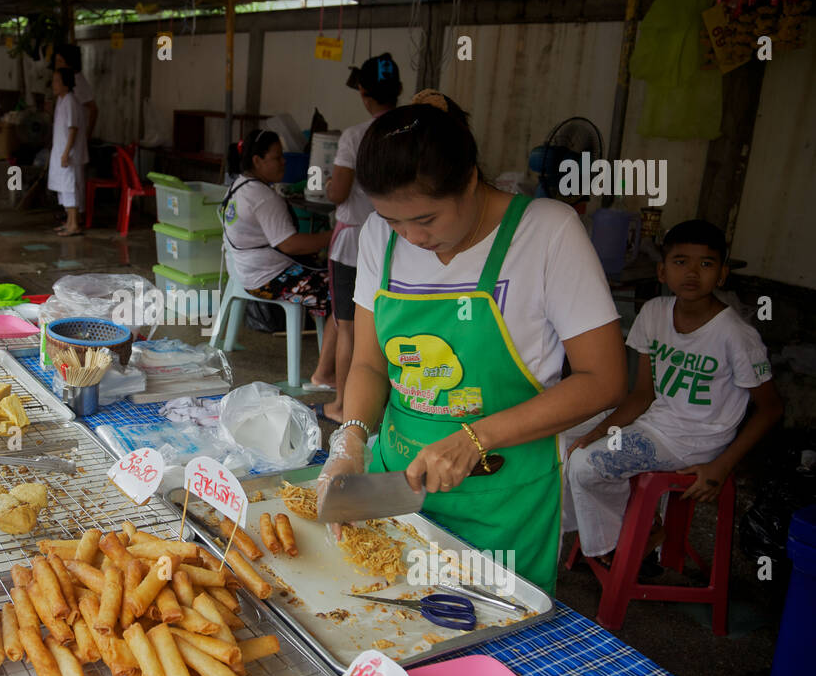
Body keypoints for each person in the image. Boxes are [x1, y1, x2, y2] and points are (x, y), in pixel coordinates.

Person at [317, 90, 627, 594]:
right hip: (398, 485)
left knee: (493, 645)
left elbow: (605, 380)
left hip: (502, 497)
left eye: (426, 219)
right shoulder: (379, 237)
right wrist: (351, 439)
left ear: (470, 179)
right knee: (391, 624)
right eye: (395, 220)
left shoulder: (547, 233)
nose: (411, 237)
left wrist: (475, 439)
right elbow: (372, 364)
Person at [564, 220, 783, 564]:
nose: (693, 272)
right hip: (654, 420)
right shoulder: (653, 313)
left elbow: (770, 409)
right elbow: (641, 396)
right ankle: (617, 527)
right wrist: (595, 432)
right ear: (662, 271)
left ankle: (626, 540)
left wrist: (722, 466)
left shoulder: (736, 336)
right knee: (563, 442)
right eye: (681, 262)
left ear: (722, 274)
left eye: (706, 264)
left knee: (586, 464)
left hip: (693, 439)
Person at [221, 128, 336, 385]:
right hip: (268, 278)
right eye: (277, 157)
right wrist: (334, 235)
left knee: (324, 273)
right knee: (339, 289)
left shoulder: (239, 185)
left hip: (243, 271)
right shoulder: (264, 198)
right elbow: (291, 245)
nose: (284, 162)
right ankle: (326, 371)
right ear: (257, 161)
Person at [323, 52, 401, 420]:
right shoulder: (408, 132)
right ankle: (382, 404)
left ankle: (343, 405)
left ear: (364, 94)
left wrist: (326, 186)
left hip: (354, 241)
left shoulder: (356, 136)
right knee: (386, 325)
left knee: (349, 326)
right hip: (400, 240)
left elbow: (338, 193)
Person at [49, 67, 86, 236]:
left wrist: (65, 152)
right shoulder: (61, 100)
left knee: (70, 187)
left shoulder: (70, 100)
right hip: (60, 152)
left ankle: (74, 225)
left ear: (65, 83)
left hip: (68, 153)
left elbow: (73, 129)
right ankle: (69, 222)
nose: (54, 84)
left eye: (57, 81)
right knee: (64, 188)